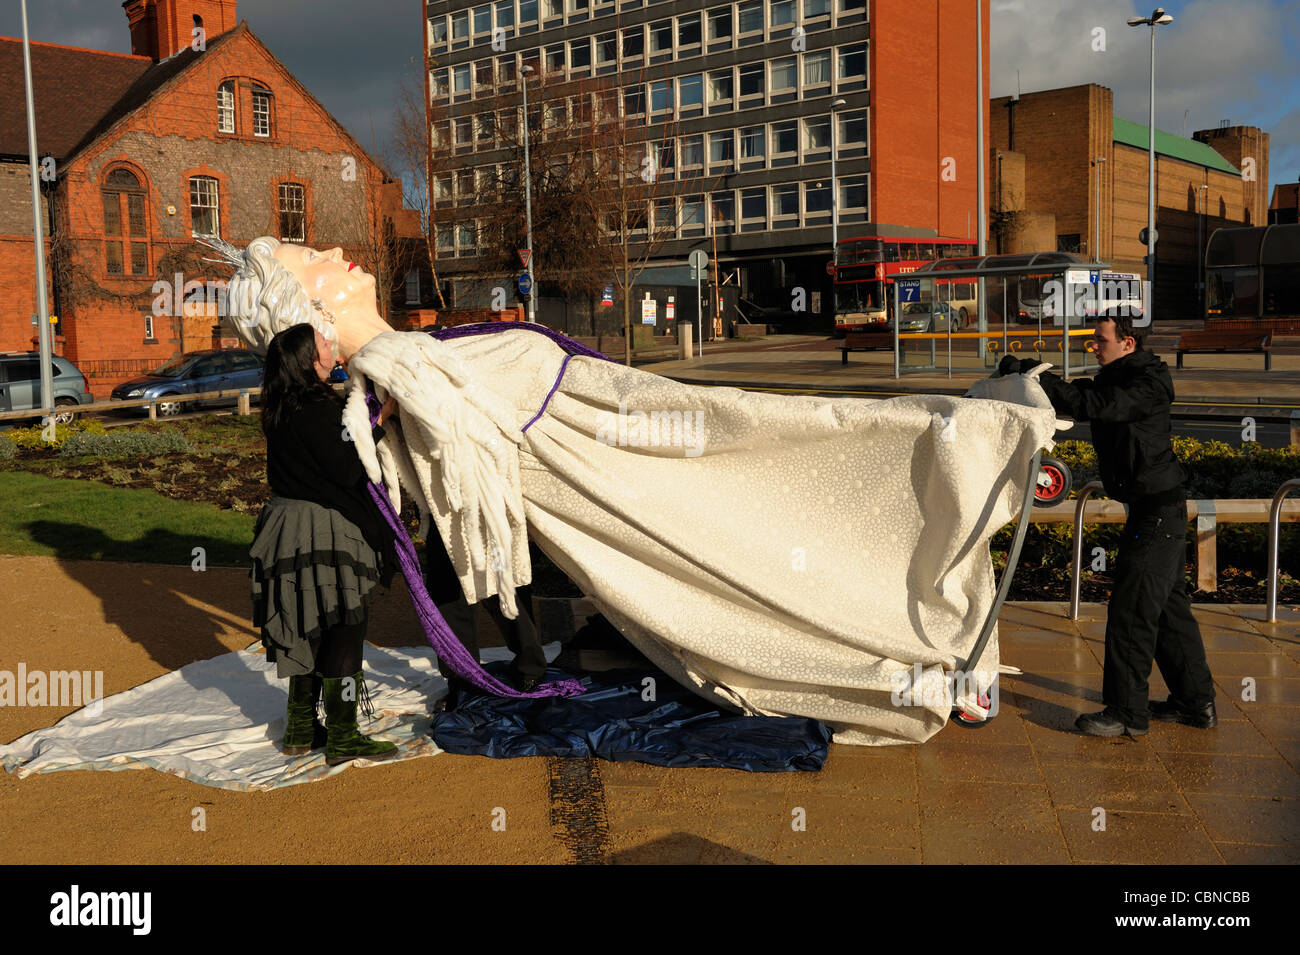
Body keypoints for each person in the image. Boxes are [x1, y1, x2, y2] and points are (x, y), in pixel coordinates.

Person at [999, 311, 1216, 737]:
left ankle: (1126, 713)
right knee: (1170, 613)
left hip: (1157, 513)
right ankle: (1194, 703)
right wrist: (1029, 374)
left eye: (1100, 340)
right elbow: (1079, 395)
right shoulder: (1119, 378)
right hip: (1152, 511)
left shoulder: (1145, 385)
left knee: (1132, 612)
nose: (1093, 346)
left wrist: (1042, 380)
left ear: (1128, 343)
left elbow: (1095, 406)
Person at [249, 322, 402, 765]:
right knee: (344, 631)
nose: (332, 349)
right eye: (323, 346)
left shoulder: (279, 406)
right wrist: (380, 419)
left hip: (285, 529)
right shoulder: (316, 408)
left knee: (306, 626)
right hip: (325, 532)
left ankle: (299, 729)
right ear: (307, 360)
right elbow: (345, 468)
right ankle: (343, 734)